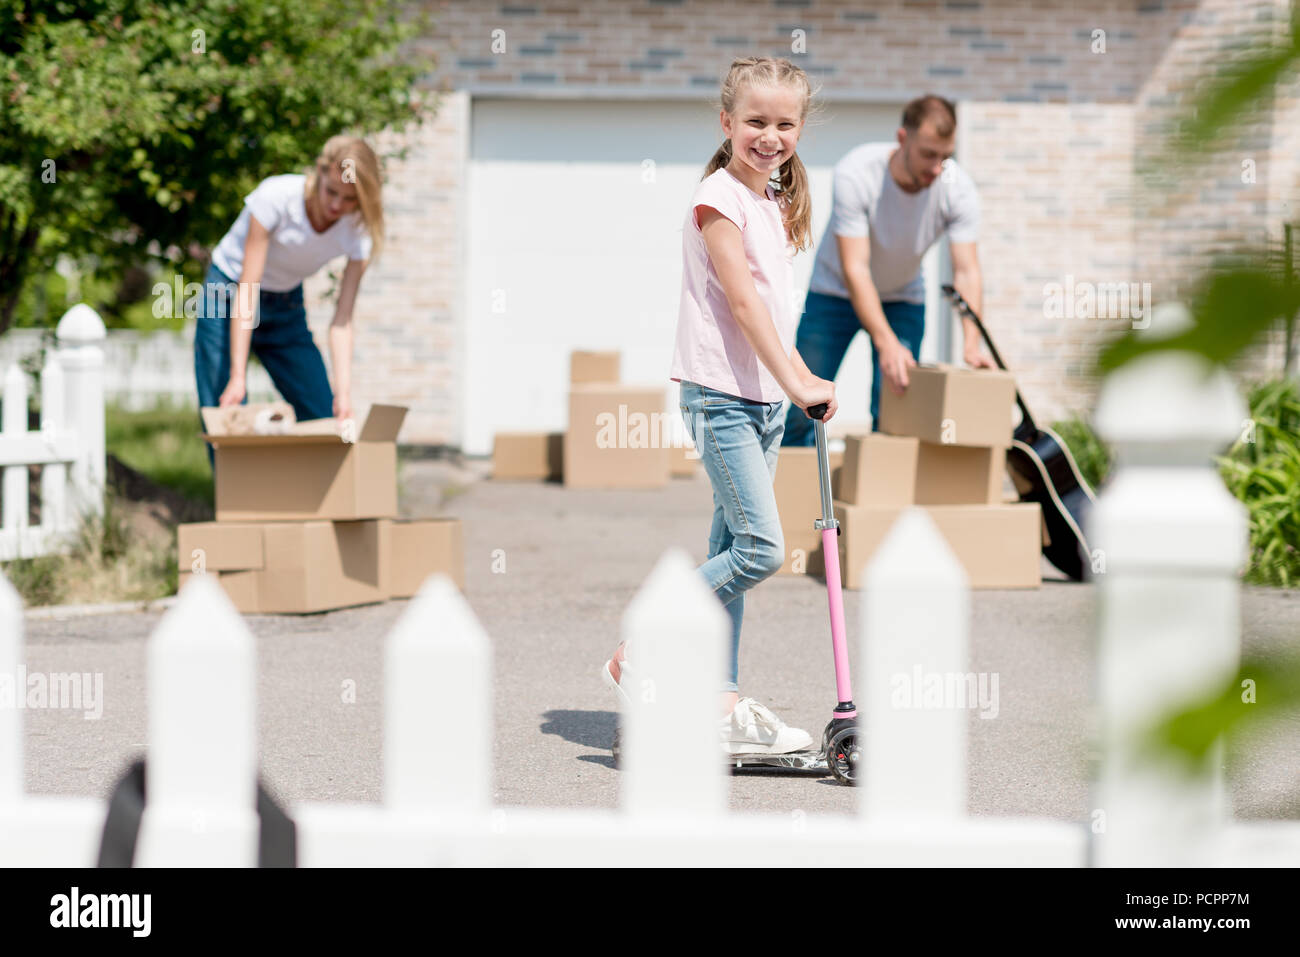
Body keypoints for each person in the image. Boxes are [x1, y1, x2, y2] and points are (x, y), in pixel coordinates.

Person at [602, 57, 838, 755]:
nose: (770, 136)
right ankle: (635, 649)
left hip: (762, 401)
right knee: (763, 548)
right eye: (756, 121)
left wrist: (801, 378)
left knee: (730, 550)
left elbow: (772, 311)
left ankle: (720, 700)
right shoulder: (719, 198)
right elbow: (739, 303)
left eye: (785, 123)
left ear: (800, 128)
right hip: (720, 397)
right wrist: (796, 384)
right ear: (728, 123)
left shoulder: (771, 201)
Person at [781, 94, 989, 447]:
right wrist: (886, 341)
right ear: (903, 138)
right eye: (928, 154)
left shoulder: (958, 189)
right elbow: (856, 268)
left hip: (902, 298)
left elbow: (966, 271)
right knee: (807, 401)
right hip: (834, 294)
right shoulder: (857, 172)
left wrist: (971, 341)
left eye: (945, 156)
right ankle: (793, 492)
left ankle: (878, 497)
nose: (937, 167)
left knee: (894, 409)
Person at [193, 135, 384, 465]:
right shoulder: (276, 198)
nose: (337, 205)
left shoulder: (358, 232)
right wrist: (238, 375)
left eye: (350, 199)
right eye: (332, 192)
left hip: (286, 304)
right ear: (320, 173)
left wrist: (344, 393)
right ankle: (236, 507)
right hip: (228, 294)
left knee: (325, 413)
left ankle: (317, 504)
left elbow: (342, 320)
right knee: (227, 410)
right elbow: (248, 286)